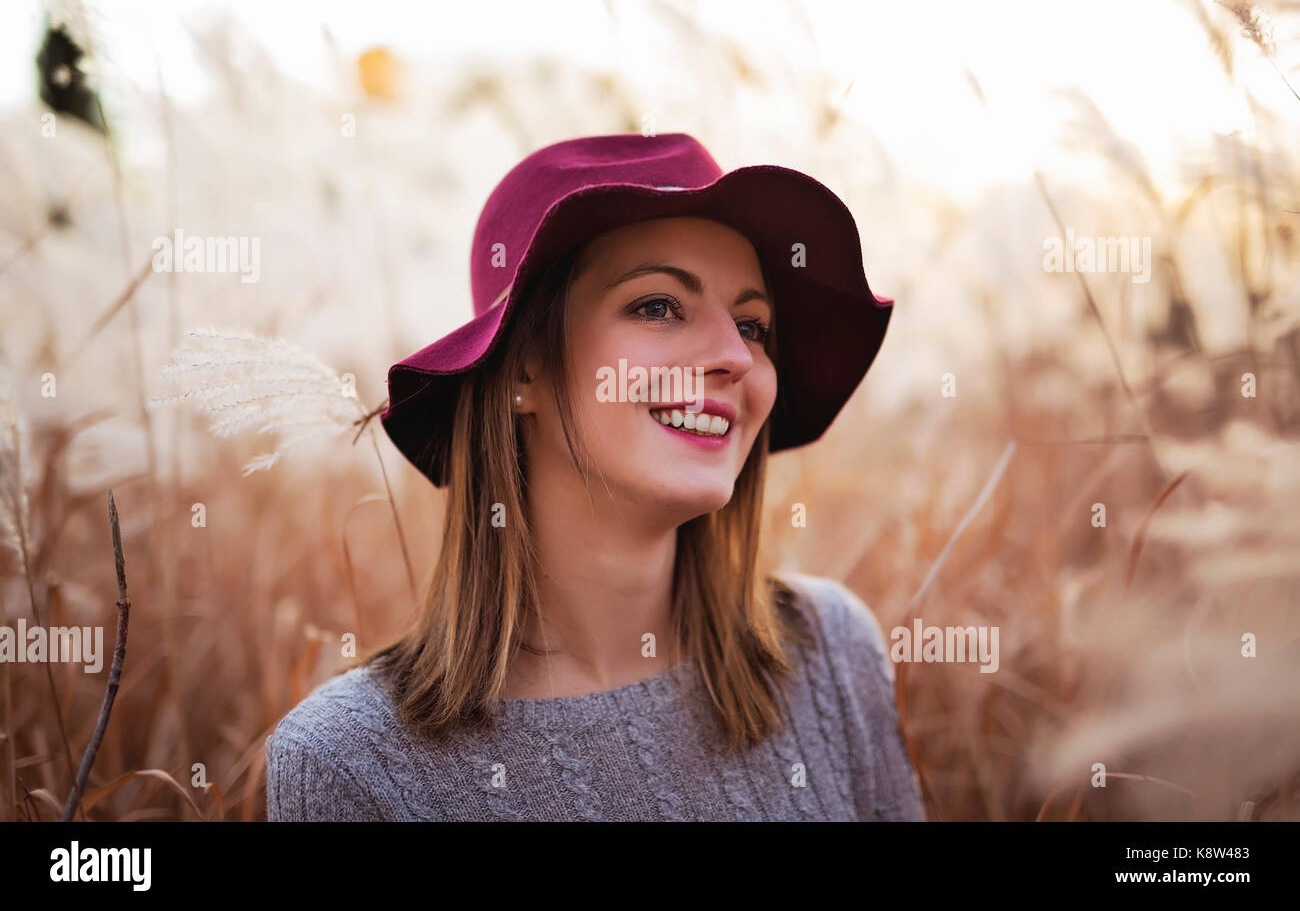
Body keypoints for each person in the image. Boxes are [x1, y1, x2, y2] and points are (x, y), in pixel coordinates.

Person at [264, 132, 925, 821]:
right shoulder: (349, 761)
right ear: (525, 369)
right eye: (659, 305)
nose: (736, 356)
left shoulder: (830, 654)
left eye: (753, 325)